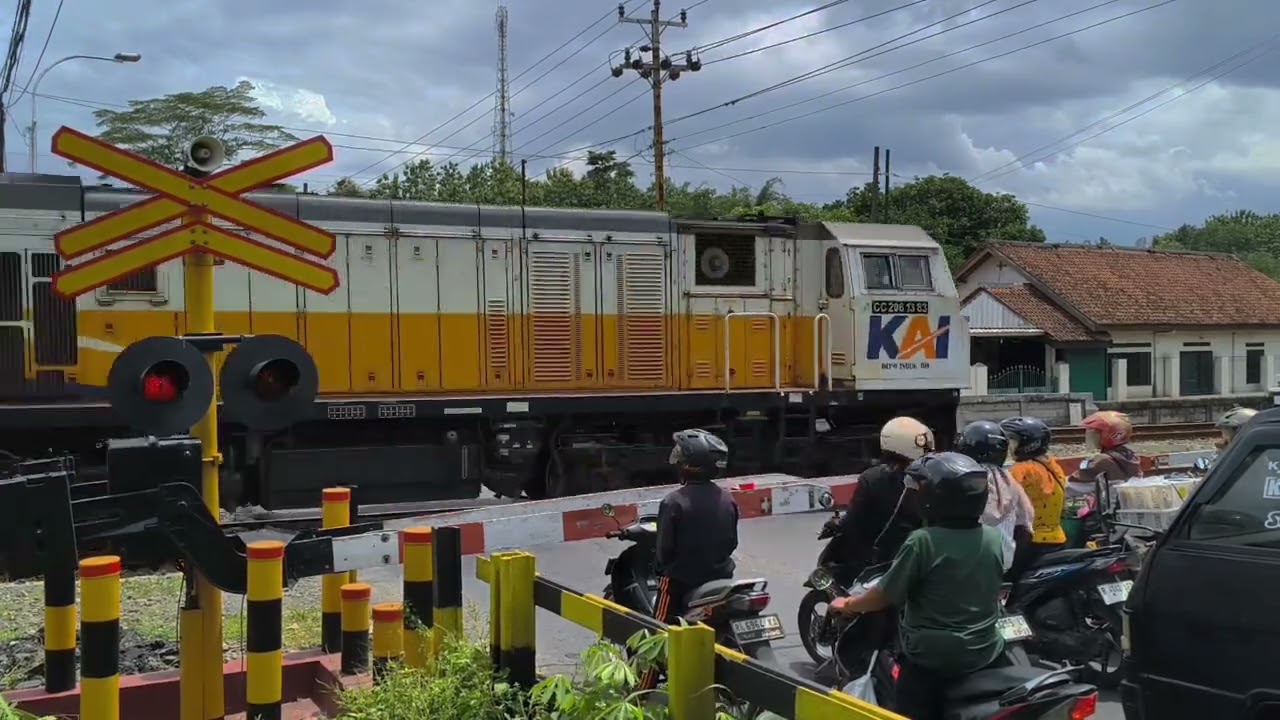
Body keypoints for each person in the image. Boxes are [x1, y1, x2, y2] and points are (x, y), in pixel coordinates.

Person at [831, 452, 1006, 720]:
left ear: (937, 497)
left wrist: (849, 604)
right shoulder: (992, 538)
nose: (916, 494)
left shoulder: (922, 541)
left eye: (921, 488)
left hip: (932, 657)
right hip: (984, 650)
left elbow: (884, 595)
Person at [639, 428, 739, 691]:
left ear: (689, 464)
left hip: (680, 582)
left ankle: (640, 691)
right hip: (720, 580)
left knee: (656, 634)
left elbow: (664, 550)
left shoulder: (674, 501)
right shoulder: (727, 498)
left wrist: (661, 568)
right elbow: (732, 542)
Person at [827, 416, 935, 571]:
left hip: (885, 563)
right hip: (930, 560)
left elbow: (854, 521)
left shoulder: (873, 478)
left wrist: (838, 524)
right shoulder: (937, 476)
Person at [953, 420, 1034, 575]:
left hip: (970, 566)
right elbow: (1026, 526)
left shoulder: (963, 479)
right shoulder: (1011, 481)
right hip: (1004, 564)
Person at [999, 416, 1070, 560]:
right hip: (1057, 538)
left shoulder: (1022, 469)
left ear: (1027, 443)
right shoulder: (1053, 465)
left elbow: (1004, 501)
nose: (1009, 446)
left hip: (1031, 541)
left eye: (1013, 441)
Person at [1069, 411, 1140, 494]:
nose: (1090, 437)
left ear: (1109, 435)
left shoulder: (1101, 461)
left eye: (1095, 434)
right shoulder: (1129, 456)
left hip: (1108, 504)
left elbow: (1074, 485)